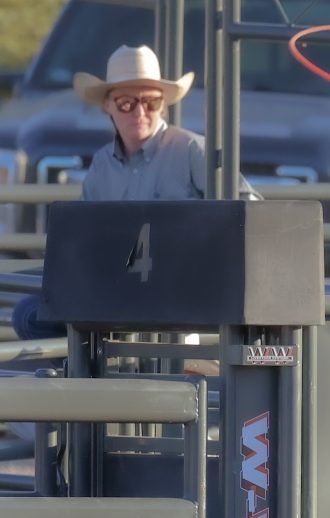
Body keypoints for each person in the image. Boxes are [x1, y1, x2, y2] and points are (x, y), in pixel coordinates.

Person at [12, 46, 247, 339]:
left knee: (41, 316)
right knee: (28, 316)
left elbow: (250, 212)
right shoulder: (101, 164)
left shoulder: (192, 150)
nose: (139, 112)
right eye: (126, 103)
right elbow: (85, 242)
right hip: (115, 291)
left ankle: (95, 370)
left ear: (163, 106)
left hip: (179, 293)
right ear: (107, 106)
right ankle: (92, 374)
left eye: (151, 102)